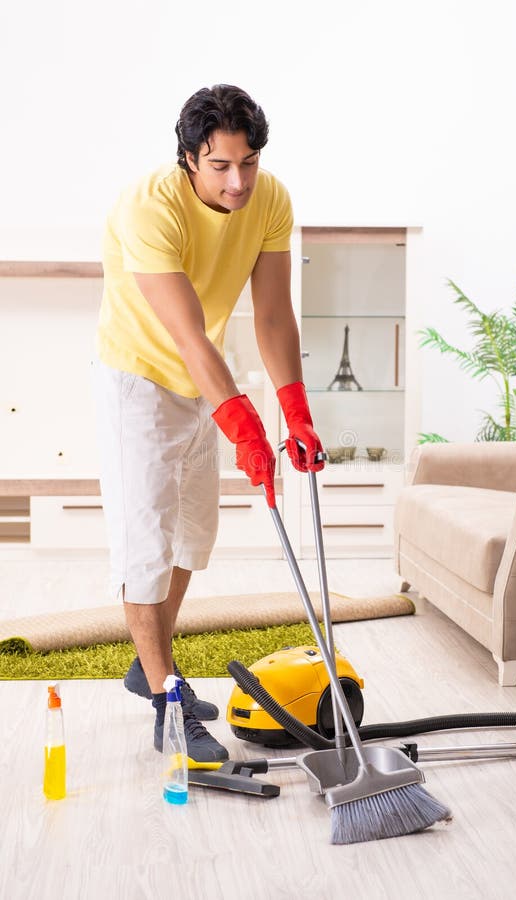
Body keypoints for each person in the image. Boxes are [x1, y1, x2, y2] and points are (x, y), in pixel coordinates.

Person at [93, 84, 324, 762]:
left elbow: (274, 314)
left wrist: (295, 412)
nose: (238, 180)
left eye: (248, 162)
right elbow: (187, 334)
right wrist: (244, 426)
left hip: (203, 381)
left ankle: (148, 665)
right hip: (137, 378)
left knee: (193, 535)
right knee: (145, 541)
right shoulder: (148, 207)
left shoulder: (270, 198)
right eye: (220, 165)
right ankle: (167, 703)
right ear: (189, 159)